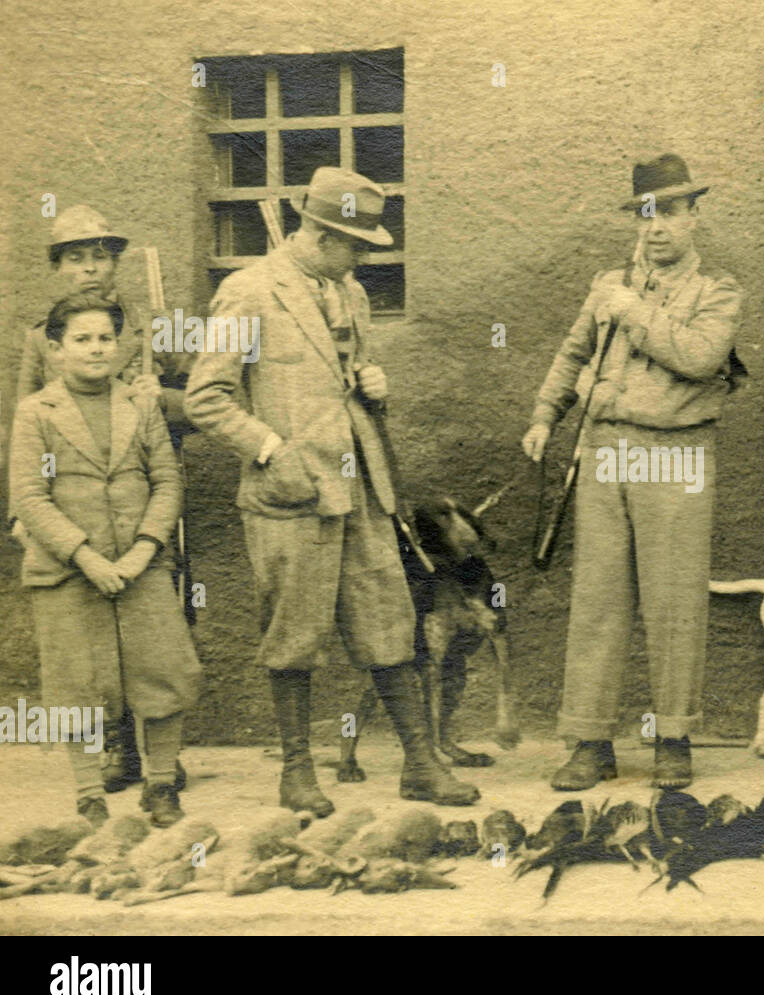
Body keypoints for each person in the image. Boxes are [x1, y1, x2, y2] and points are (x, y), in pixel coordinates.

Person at [186, 166, 479, 815]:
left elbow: (343, 379)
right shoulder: (248, 292)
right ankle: (297, 774)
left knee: (389, 626)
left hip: (360, 492)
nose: (364, 257)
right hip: (290, 494)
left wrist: (374, 384)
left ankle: (420, 765)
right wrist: (269, 451)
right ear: (319, 233)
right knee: (293, 634)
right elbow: (205, 396)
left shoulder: (349, 293)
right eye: (357, 244)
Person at [522, 154, 743, 791]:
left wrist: (631, 311)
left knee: (673, 600)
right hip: (603, 451)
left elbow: (700, 358)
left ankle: (674, 738)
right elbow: (571, 354)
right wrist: (544, 416)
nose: (658, 227)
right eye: (647, 214)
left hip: (675, 453)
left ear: (694, 218)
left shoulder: (718, 290)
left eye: (672, 212)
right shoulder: (608, 282)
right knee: (597, 598)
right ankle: (590, 740)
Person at [10, 204, 191, 795]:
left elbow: (194, 398)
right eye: (75, 258)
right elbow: (25, 426)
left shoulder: (149, 321)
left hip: (142, 495)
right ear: (60, 268)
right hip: (67, 504)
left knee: (158, 633)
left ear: (115, 261)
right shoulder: (43, 334)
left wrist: (158, 392)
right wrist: (25, 519)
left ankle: (160, 758)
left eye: (99, 255)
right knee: (82, 649)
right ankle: (115, 755)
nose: (90, 268)